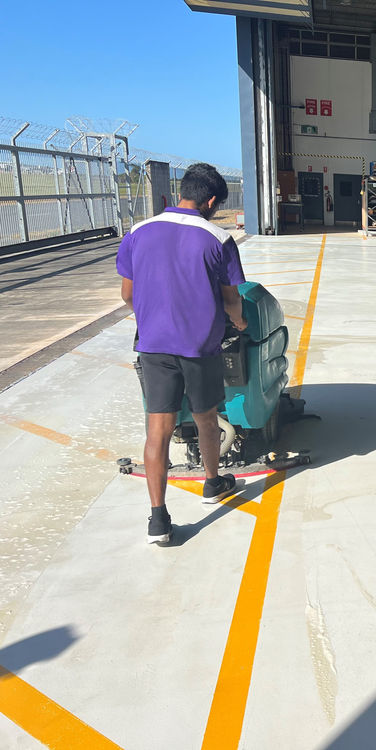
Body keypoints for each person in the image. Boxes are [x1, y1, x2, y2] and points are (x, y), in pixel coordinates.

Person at [117, 163, 248, 545]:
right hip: (199, 345)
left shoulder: (138, 232)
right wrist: (239, 322)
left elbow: (127, 294)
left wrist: (154, 319)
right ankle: (213, 482)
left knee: (157, 429)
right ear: (211, 201)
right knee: (207, 418)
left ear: (181, 192)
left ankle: (158, 519)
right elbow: (231, 299)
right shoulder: (218, 238)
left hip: (154, 344)